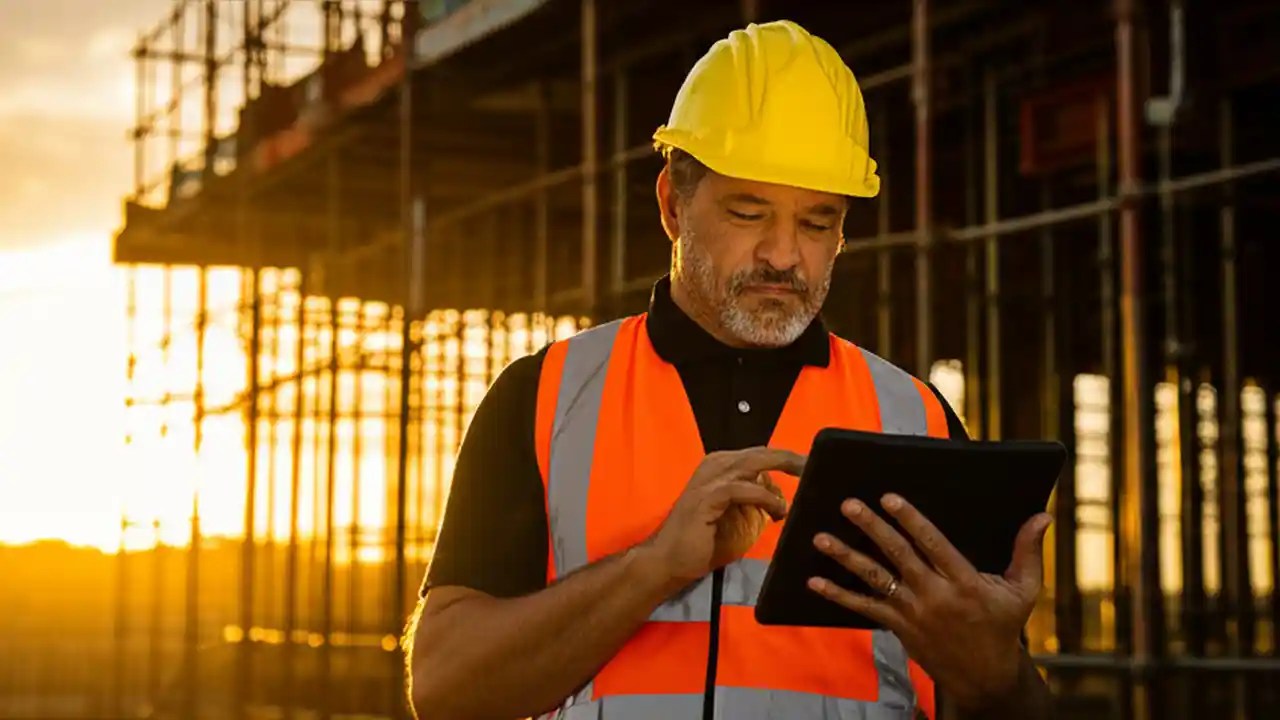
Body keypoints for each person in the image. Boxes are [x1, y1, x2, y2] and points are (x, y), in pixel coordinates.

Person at [406, 19, 1054, 720]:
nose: (783, 255)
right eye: (749, 213)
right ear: (671, 206)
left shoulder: (916, 418)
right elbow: (444, 688)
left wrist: (998, 677)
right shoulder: (545, 399)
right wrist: (652, 566)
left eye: (817, 223)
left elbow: (1005, 700)